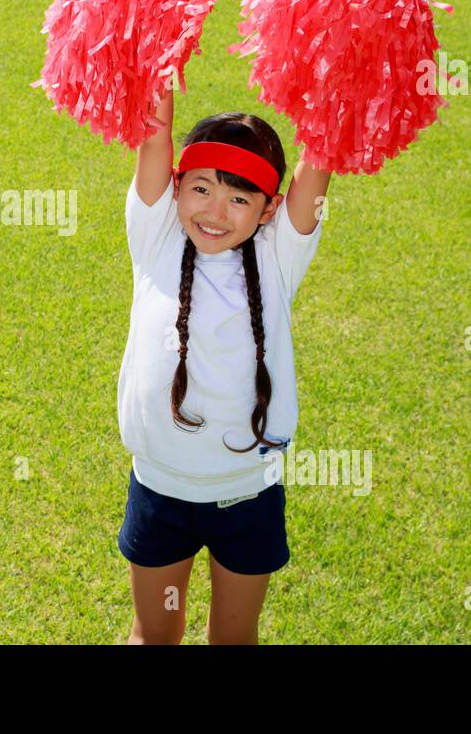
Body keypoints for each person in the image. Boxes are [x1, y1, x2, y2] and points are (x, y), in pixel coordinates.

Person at [116, 89, 331, 644]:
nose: (213, 212)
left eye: (239, 199)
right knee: (153, 634)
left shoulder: (278, 254)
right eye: (201, 189)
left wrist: (335, 79)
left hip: (246, 494)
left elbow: (319, 159)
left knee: (234, 638)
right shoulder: (157, 235)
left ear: (270, 209)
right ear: (176, 189)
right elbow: (155, 134)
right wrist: (166, 50)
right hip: (160, 488)